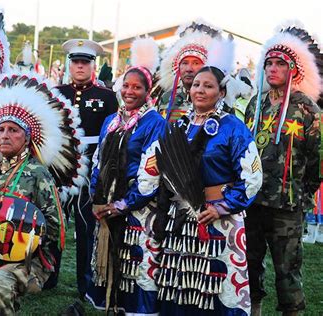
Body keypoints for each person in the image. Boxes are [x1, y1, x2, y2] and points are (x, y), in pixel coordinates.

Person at [0, 70, 86, 315]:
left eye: (14, 130)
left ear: (27, 138)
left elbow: (55, 228)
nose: (5, 135)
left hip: (30, 261)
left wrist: (20, 239)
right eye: (1, 130)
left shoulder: (38, 174)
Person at [154, 46, 263, 314]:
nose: (200, 90)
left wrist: (222, 207)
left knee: (216, 283)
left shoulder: (232, 128)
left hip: (220, 219)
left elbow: (252, 177)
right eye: (197, 85)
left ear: (222, 92)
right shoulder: (180, 125)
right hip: (181, 217)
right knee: (183, 284)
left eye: (209, 86)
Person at [244, 23, 322, 316]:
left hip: (287, 205)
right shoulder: (256, 104)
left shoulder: (307, 110)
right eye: (269, 63)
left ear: (294, 69)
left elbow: (318, 160)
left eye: (280, 64)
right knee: (250, 265)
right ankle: (254, 310)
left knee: (287, 272)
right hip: (252, 202)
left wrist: (303, 192)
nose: (273, 69)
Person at [87, 62, 165, 314]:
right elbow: (98, 159)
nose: (130, 92)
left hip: (139, 211)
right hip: (107, 205)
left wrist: (124, 204)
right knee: (109, 261)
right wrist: (97, 197)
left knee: (136, 266)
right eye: (126, 86)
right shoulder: (111, 120)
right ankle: (112, 305)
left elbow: (151, 172)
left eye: (137, 87)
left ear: (148, 92)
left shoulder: (155, 123)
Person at [55, 39, 119, 296]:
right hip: (61, 166)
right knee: (54, 223)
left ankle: (86, 282)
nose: (80, 66)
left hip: (91, 167)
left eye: (85, 62)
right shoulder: (56, 94)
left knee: (85, 227)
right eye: (76, 62)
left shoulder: (107, 96)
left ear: (93, 65)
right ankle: (48, 276)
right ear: (70, 65)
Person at [157, 21, 222, 123]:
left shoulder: (218, 100)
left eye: (196, 63)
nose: (189, 69)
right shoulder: (167, 97)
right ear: (178, 66)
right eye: (185, 63)